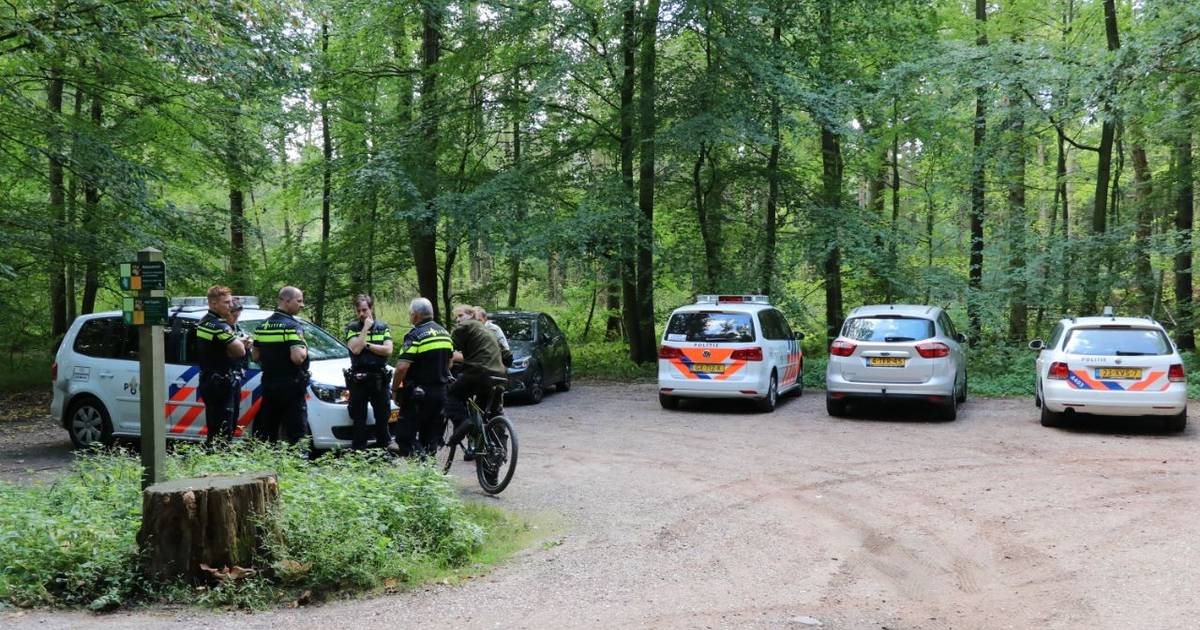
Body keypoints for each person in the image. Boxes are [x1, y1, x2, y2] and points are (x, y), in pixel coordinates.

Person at [390, 297, 454, 456]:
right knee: (429, 438)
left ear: (416, 315)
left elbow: (402, 367)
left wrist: (395, 388)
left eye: (410, 313)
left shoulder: (415, 335)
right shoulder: (444, 333)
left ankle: (421, 464)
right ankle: (428, 473)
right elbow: (450, 363)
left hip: (418, 396)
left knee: (404, 437)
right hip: (440, 394)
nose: (410, 316)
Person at [446, 304, 508, 459]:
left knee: (451, 395)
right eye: (457, 317)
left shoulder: (465, 327)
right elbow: (507, 354)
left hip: (479, 373)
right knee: (490, 415)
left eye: (460, 316)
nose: (458, 320)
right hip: (499, 376)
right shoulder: (488, 330)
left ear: (470, 315)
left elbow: (447, 348)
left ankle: (462, 423)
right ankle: (495, 455)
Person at [252, 286, 310, 445]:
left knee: (269, 431)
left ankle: (270, 465)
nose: (302, 305)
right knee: (297, 433)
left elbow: (255, 356)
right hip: (291, 387)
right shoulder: (292, 326)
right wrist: (305, 346)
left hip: (269, 386)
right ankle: (298, 466)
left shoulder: (262, 326)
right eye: (299, 301)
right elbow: (297, 358)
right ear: (286, 301)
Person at [343, 294, 399, 452]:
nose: (362, 313)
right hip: (358, 378)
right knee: (358, 418)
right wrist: (366, 328)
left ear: (371, 308)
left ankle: (384, 449)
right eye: (359, 310)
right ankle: (359, 452)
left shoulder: (382, 327)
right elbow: (355, 348)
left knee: (383, 416)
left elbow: (388, 350)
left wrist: (366, 344)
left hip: (379, 378)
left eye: (365, 309)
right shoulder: (352, 327)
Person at [196, 286, 249, 448]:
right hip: (220, 381)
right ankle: (218, 463)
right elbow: (240, 351)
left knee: (218, 427)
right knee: (223, 429)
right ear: (213, 304)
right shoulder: (218, 325)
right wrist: (242, 344)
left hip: (213, 379)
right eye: (226, 302)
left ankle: (216, 458)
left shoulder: (205, 321)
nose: (230, 305)